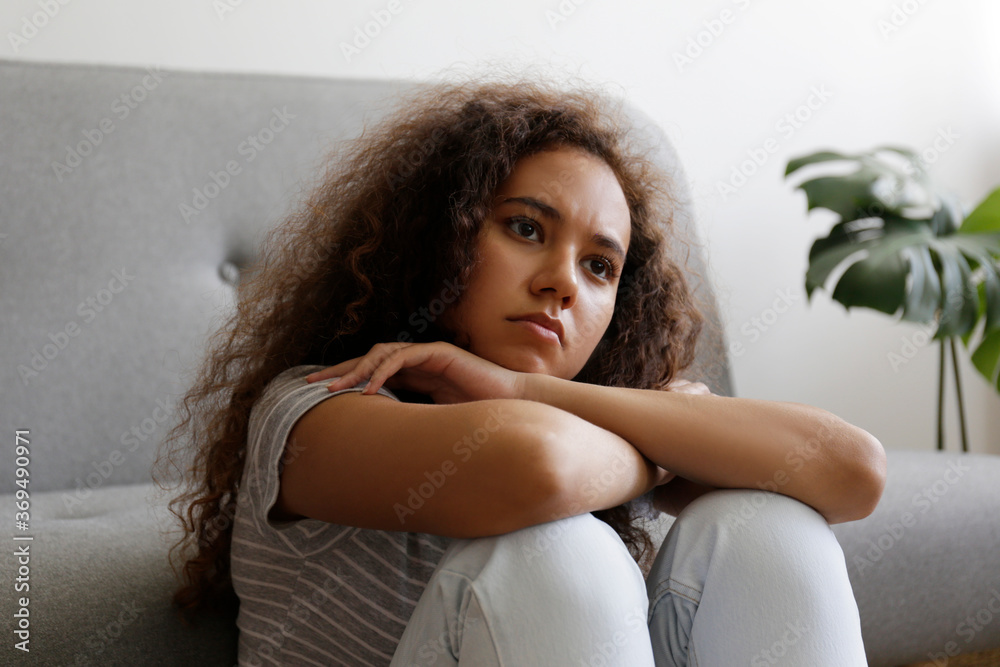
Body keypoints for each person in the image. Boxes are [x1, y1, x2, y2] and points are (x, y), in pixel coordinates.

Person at [157, 72, 886, 666]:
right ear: (438, 236)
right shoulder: (320, 406)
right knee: (559, 549)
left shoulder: (581, 431)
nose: (562, 281)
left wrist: (524, 388)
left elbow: (852, 469)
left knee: (762, 524)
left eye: (599, 266)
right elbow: (536, 466)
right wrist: (664, 450)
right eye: (526, 228)